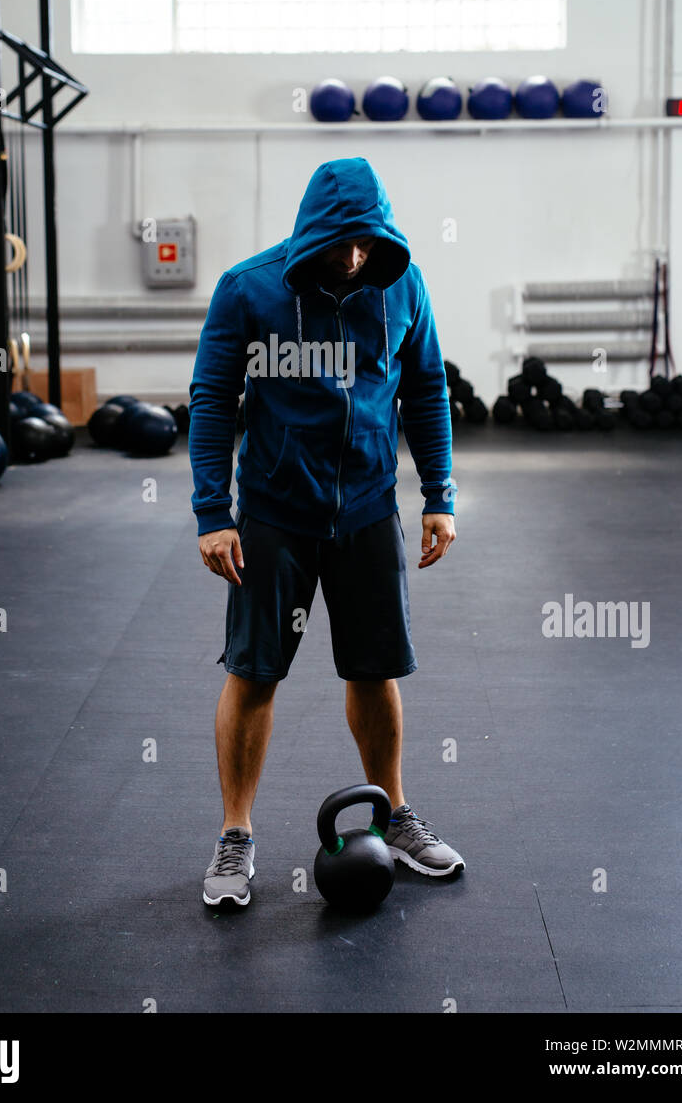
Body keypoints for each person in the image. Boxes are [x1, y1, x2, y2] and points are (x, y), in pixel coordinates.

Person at [188, 155, 463, 908]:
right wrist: (213, 512)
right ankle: (235, 834)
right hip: (276, 514)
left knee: (375, 670)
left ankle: (395, 814)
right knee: (254, 672)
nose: (352, 259)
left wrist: (438, 493)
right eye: (341, 243)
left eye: (365, 245)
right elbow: (212, 398)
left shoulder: (400, 283)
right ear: (313, 229)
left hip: (369, 508)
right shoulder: (248, 290)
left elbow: (428, 384)